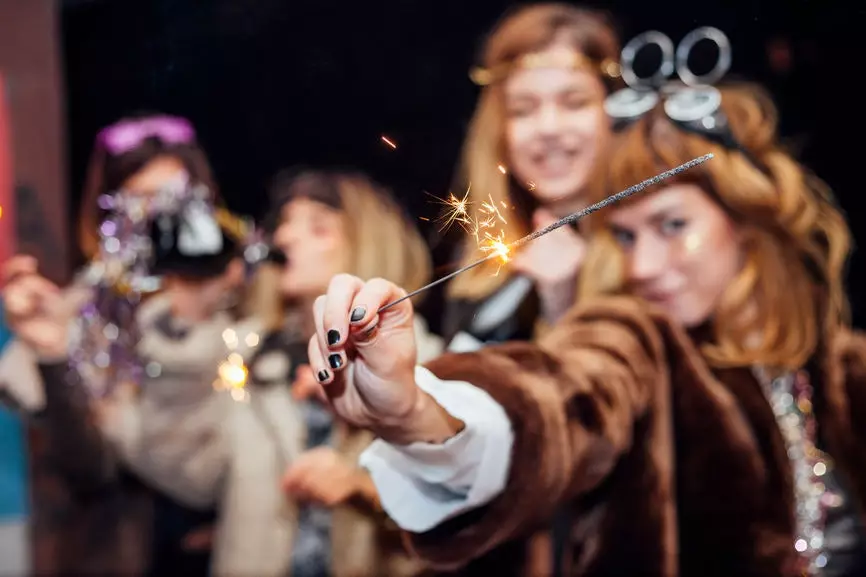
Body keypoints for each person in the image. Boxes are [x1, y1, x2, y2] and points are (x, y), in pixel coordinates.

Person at [303, 82, 866, 576]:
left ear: (746, 222)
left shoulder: (846, 368)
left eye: (672, 224)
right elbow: (556, 400)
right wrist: (416, 415)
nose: (642, 264)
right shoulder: (639, 343)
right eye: (624, 236)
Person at [0, 113, 225, 575]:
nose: (156, 219)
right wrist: (49, 353)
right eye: (139, 201)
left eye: (175, 199)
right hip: (124, 548)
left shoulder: (244, 300)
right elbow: (88, 471)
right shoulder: (89, 313)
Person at [252, 168, 444, 577]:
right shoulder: (252, 364)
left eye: (318, 229)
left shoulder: (427, 367)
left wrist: (363, 489)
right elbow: (190, 475)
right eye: (284, 225)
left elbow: (458, 508)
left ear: (368, 245)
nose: (284, 239)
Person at [443, 2, 621, 351]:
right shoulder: (482, 270)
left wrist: (565, 310)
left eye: (574, 102)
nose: (549, 128)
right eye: (523, 110)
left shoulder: (655, 260)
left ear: (615, 111)